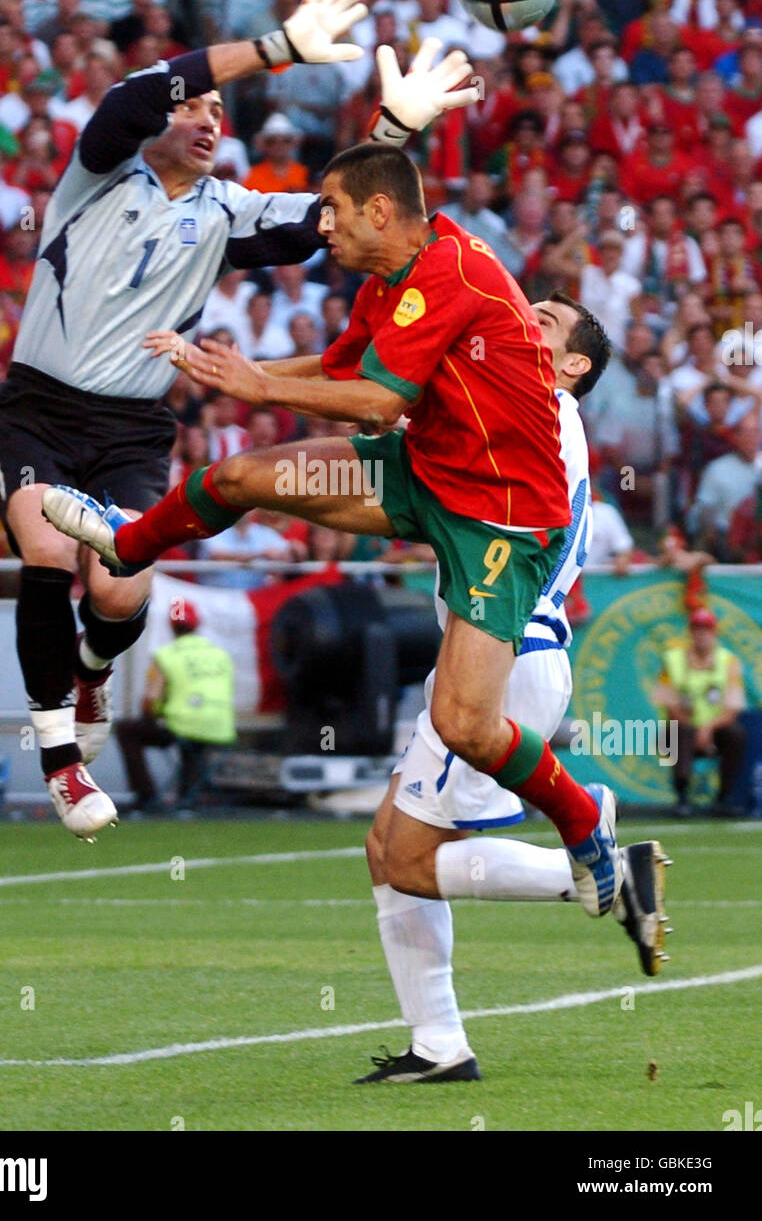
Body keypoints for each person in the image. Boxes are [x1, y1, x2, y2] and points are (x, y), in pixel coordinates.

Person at [43, 147, 624, 925]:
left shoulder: (455, 276)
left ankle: (585, 827)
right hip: (424, 474)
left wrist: (258, 385)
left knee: (465, 728)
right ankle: (129, 542)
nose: (322, 224)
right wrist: (224, 367)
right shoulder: (398, 279)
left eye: (332, 209)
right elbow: (345, 363)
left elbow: (379, 401)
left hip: (498, 520)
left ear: (378, 212)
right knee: (243, 478)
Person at [0, 0, 478, 841]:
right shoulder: (96, 176)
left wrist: (394, 128)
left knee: (121, 591)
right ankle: (61, 761)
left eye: (220, 112)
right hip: (36, 410)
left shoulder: (227, 215)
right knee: (50, 546)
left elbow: (335, 218)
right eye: (195, 107)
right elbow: (138, 93)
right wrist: (277, 48)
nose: (211, 120)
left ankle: (91, 664)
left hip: (132, 427)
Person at [356, 295, 670, 1084]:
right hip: (478, 651)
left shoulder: (544, 404)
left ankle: (593, 865)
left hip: (509, 654)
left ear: (572, 367)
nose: (520, 317)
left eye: (543, 321)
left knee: (413, 862)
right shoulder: (522, 402)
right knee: (385, 848)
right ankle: (438, 1045)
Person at [114, 599, 235, 813]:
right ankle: (188, 795)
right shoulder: (220, 655)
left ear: (171, 626)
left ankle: (147, 796)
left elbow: (151, 699)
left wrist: (151, 715)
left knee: (126, 731)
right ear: (197, 624)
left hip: (184, 725)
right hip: (221, 727)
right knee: (194, 743)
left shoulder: (166, 655)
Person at [655, 608, 747, 817]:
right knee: (681, 732)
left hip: (714, 729)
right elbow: (669, 705)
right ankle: (682, 797)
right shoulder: (672, 660)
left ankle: (724, 798)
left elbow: (732, 708)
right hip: (680, 730)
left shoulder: (728, 662)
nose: (702, 635)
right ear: (690, 633)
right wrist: (695, 730)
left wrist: (707, 729)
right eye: (697, 629)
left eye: (706, 630)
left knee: (736, 734)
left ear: (715, 633)